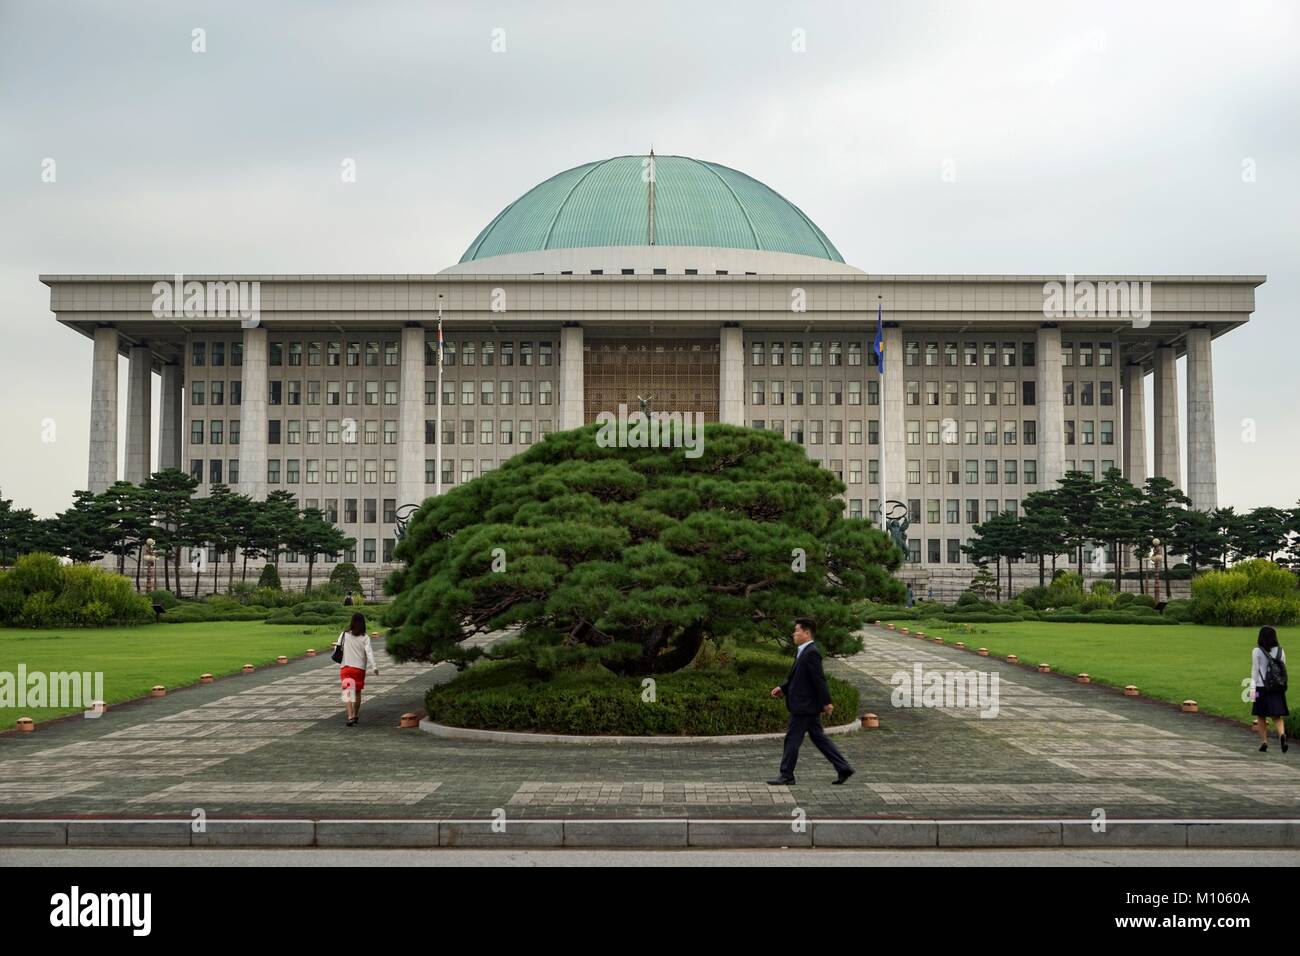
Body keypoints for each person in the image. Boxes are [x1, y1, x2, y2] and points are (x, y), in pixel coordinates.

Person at [767, 618, 855, 786]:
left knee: (792, 739)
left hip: (804, 706)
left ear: (807, 633)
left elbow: (819, 680)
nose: (794, 633)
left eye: (797, 630)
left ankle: (786, 775)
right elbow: (797, 677)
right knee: (819, 738)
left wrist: (827, 702)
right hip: (806, 706)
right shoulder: (804, 651)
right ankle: (843, 767)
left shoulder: (811, 653)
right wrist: (783, 688)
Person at [333, 612, 378, 727]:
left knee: (347, 692)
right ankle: (356, 715)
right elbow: (369, 653)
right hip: (359, 669)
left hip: (346, 667)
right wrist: (374, 667)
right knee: (357, 693)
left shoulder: (344, 634)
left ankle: (350, 716)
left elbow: (336, 647)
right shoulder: (365, 637)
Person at [1251, 625, 1288, 753]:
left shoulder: (1257, 651)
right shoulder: (1281, 651)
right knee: (1277, 716)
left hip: (1262, 686)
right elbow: (1283, 669)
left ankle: (1264, 742)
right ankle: (1282, 734)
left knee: (1261, 715)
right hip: (1277, 687)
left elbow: (1255, 671)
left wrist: (1252, 688)